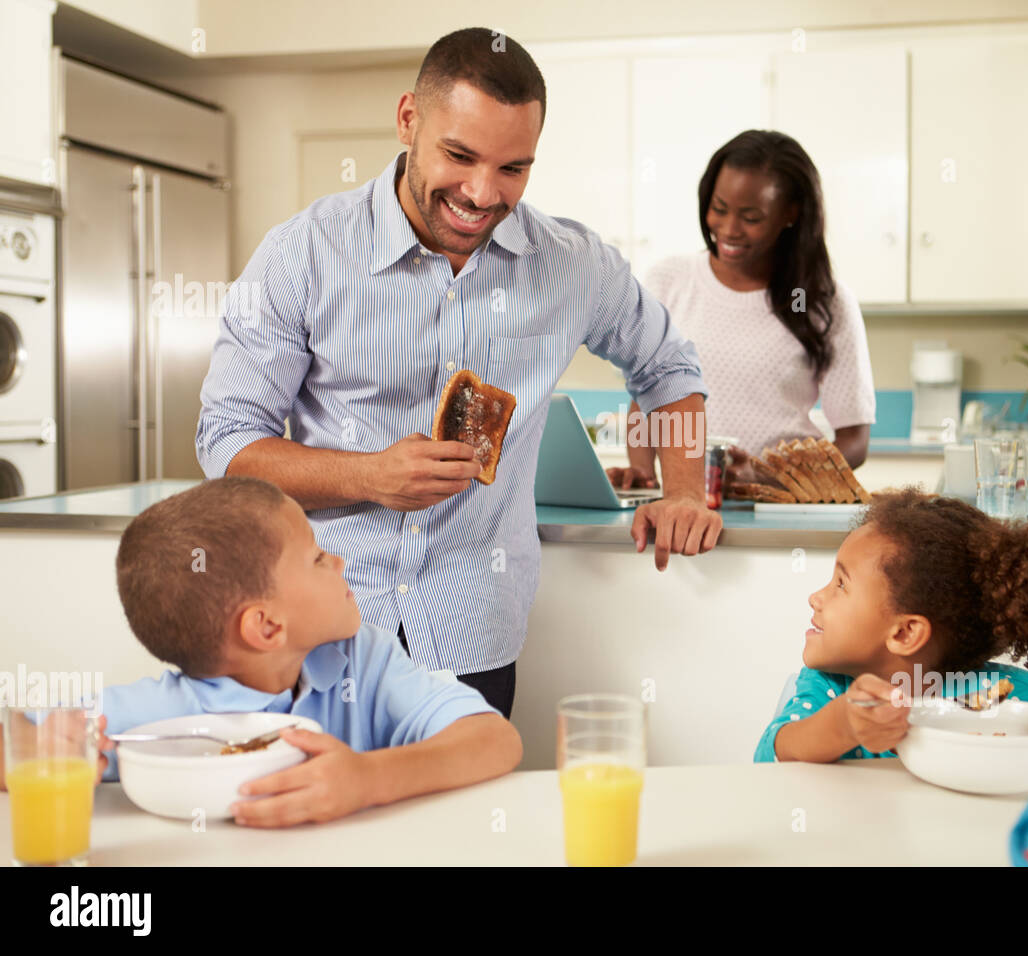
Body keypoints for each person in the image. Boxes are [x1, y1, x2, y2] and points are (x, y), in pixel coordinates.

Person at [197, 28, 722, 719]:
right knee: (325, 820)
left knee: (465, 825)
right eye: (460, 155)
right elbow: (227, 447)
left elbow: (669, 367)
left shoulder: (573, 265)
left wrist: (683, 490)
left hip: (474, 637)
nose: (481, 194)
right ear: (409, 119)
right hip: (320, 633)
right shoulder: (301, 256)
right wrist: (370, 476)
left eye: (514, 168)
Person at [0, 477, 522, 827]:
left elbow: (496, 739)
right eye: (317, 557)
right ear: (267, 626)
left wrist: (369, 780)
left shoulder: (361, 661)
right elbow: (14, 739)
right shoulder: (161, 716)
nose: (339, 561)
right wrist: (40, 743)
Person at [755, 488, 1028, 763]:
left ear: (906, 633)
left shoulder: (1007, 696)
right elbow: (775, 752)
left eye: (841, 584)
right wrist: (844, 725)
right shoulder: (831, 688)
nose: (816, 596)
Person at [607, 130, 875, 493]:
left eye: (751, 217)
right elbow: (645, 398)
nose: (729, 229)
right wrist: (643, 474)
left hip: (778, 508)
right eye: (719, 209)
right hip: (686, 505)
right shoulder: (670, 280)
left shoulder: (822, 302)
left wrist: (766, 475)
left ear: (791, 214)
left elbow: (854, 440)